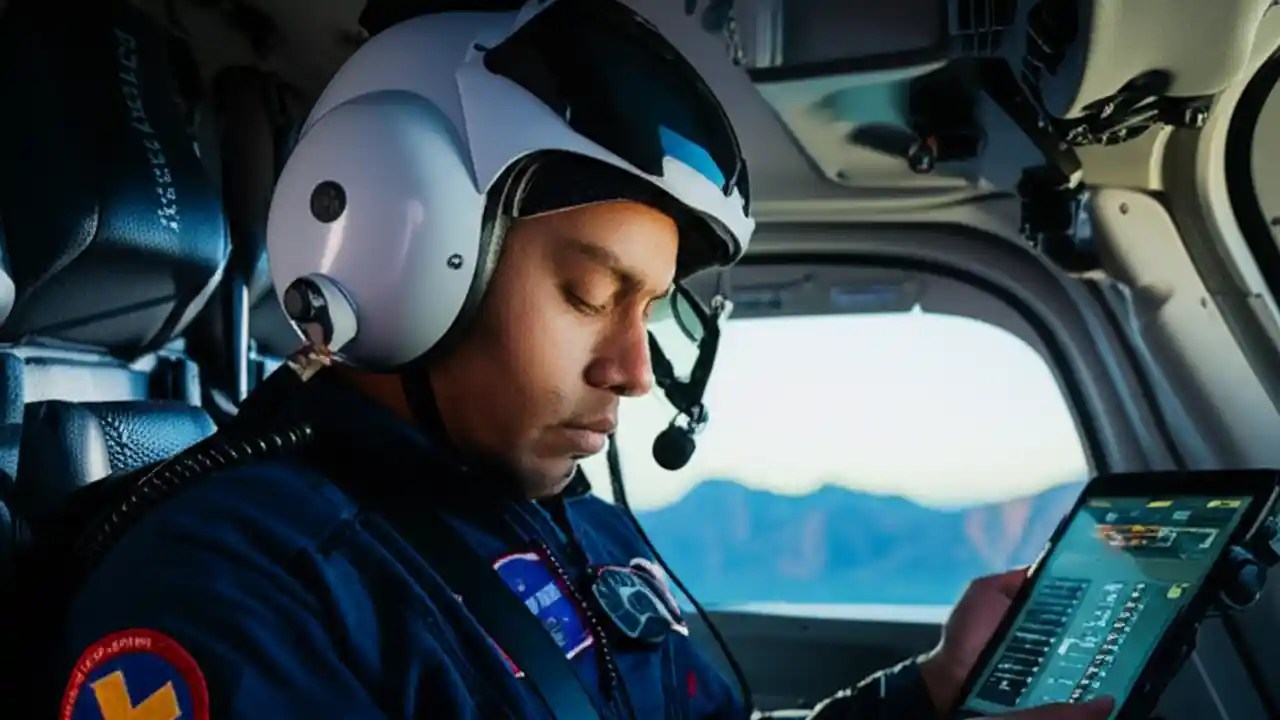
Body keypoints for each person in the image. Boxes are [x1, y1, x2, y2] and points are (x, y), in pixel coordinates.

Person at [53, 2, 1115, 718]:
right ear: (400, 240)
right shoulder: (239, 587)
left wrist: (929, 695)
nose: (633, 369)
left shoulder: (569, 519)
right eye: (589, 293)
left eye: (648, 310)